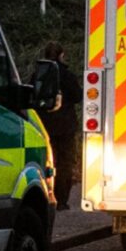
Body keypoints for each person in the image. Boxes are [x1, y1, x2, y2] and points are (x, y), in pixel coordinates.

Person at [27, 40, 80, 206]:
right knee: (65, 163)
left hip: (45, 126)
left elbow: (31, 96)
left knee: (48, 161)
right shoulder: (67, 75)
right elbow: (78, 96)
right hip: (65, 127)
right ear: (61, 55)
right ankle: (61, 200)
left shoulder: (38, 75)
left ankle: (47, 197)